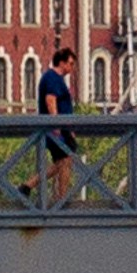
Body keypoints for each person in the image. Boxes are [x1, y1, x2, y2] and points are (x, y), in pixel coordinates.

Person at [35, 54, 81, 204]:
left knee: (63, 162)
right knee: (66, 160)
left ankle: (28, 186)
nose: (72, 67)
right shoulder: (52, 78)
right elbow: (50, 99)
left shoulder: (56, 79)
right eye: (70, 63)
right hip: (56, 129)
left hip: (62, 128)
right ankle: (62, 199)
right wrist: (56, 124)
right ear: (61, 62)